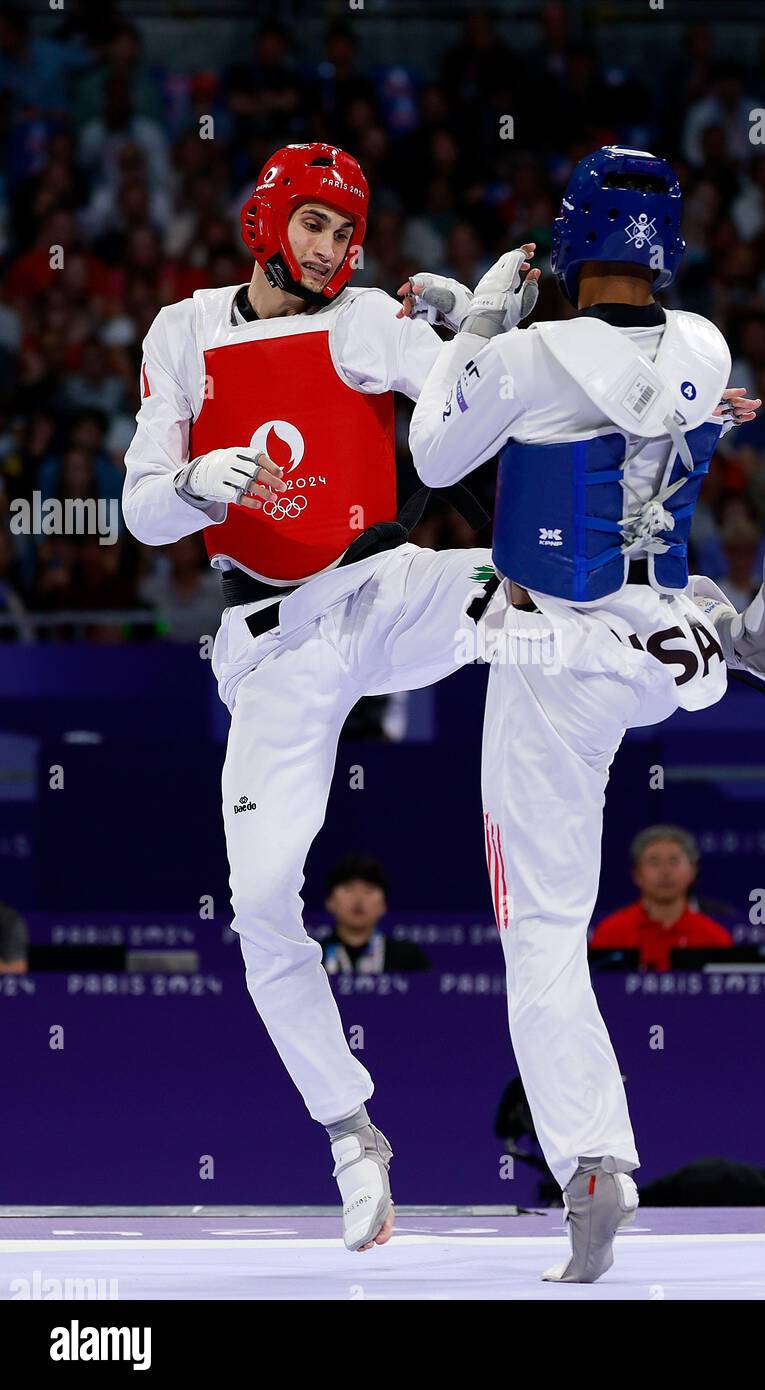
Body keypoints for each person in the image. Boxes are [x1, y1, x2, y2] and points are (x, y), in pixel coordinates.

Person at [406, 145, 765, 1281]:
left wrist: (481, 325)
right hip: (658, 638)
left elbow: (436, 448)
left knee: (538, 931)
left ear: (572, 236)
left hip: (554, 652)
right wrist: (473, 338)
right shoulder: (707, 346)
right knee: (657, 576)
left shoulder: (529, 355)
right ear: (663, 246)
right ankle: (750, 637)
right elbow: (587, 390)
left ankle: (591, 1166)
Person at [121, 143, 495, 1256]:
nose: (333, 248)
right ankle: (351, 1132)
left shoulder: (366, 318)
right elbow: (139, 508)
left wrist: (474, 329)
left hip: (384, 589)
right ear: (268, 221)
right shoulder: (182, 330)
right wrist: (193, 484)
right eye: (316, 225)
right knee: (264, 902)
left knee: (540, 587)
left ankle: (730, 637)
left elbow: (478, 407)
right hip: (270, 644)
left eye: (348, 231)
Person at [590, 825, 732, 969]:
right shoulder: (609, 933)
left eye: (674, 861)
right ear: (637, 874)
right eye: (654, 862)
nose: (665, 871)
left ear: (692, 872)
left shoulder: (714, 937)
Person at [322, 854, 430, 974]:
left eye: (369, 890)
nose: (359, 899)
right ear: (330, 901)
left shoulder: (408, 959)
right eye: (349, 889)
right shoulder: (312, 957)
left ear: (383, 905)